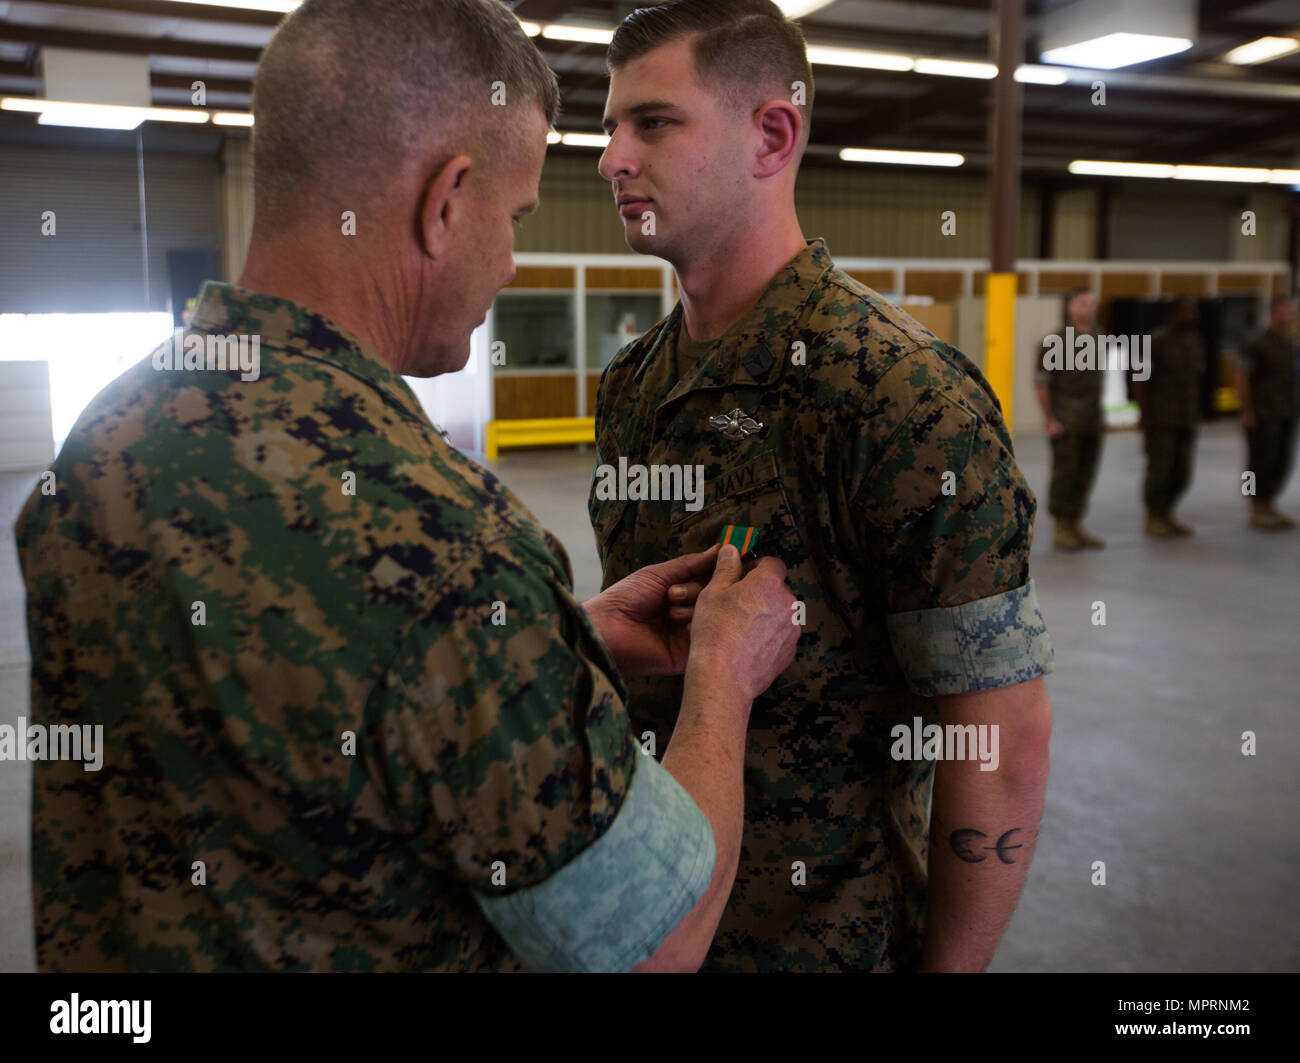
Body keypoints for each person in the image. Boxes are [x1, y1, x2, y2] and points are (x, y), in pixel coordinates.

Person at [13, 0, 801, 973]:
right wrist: (723, 675)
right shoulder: (446, 538)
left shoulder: (109, 434)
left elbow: (287, 683)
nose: (509, 261)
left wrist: (560, 637)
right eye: (511, 218)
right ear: (444, 201)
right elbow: (651, 944)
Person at [589, 0, 1053, 973]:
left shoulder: (900, 396)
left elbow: (996, 737)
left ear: (772, 134)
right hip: (649, 927)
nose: (612, 159)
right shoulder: (634, 387)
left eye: (653, 122)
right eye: (609, 127)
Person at [1034, 288, 1106, 550]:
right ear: (1070, 307)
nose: (1088, 307)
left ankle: (1076, 524)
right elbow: (1042, 385)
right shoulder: (1054, 342)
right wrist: (1050, 419)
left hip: (1092, 419)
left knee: (1086, 474)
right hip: (1066, 420)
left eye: (1091, 303)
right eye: (1082, 302)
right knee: (1066, 473)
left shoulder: (1100, 338)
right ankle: (1061, 527)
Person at [1135, 297, 1204, 537]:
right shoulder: (1156, 341)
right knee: (1160, 470)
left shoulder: (1194, 340)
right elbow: (1140, 380)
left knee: (1182, 470)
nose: (1192, 315)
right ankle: (1153, 516)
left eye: (1194, 311)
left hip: (1186, 417)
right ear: (1174, 313)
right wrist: (1143, 414)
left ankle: (1168, 513)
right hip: (1161, 418)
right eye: (1187, 310)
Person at [1235, 294, 1298, 529]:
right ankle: (1253, 505)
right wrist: (1246, 410)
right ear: (1272, 313)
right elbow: (1241, 377)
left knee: (1280, 461)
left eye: (1292, 312)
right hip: (1261, 413)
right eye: (1285, 311)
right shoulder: (1255, 342)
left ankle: (1269, 503)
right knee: (1255, 463)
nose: (1289, 316)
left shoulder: (1289, 342)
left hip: (1286, 412)